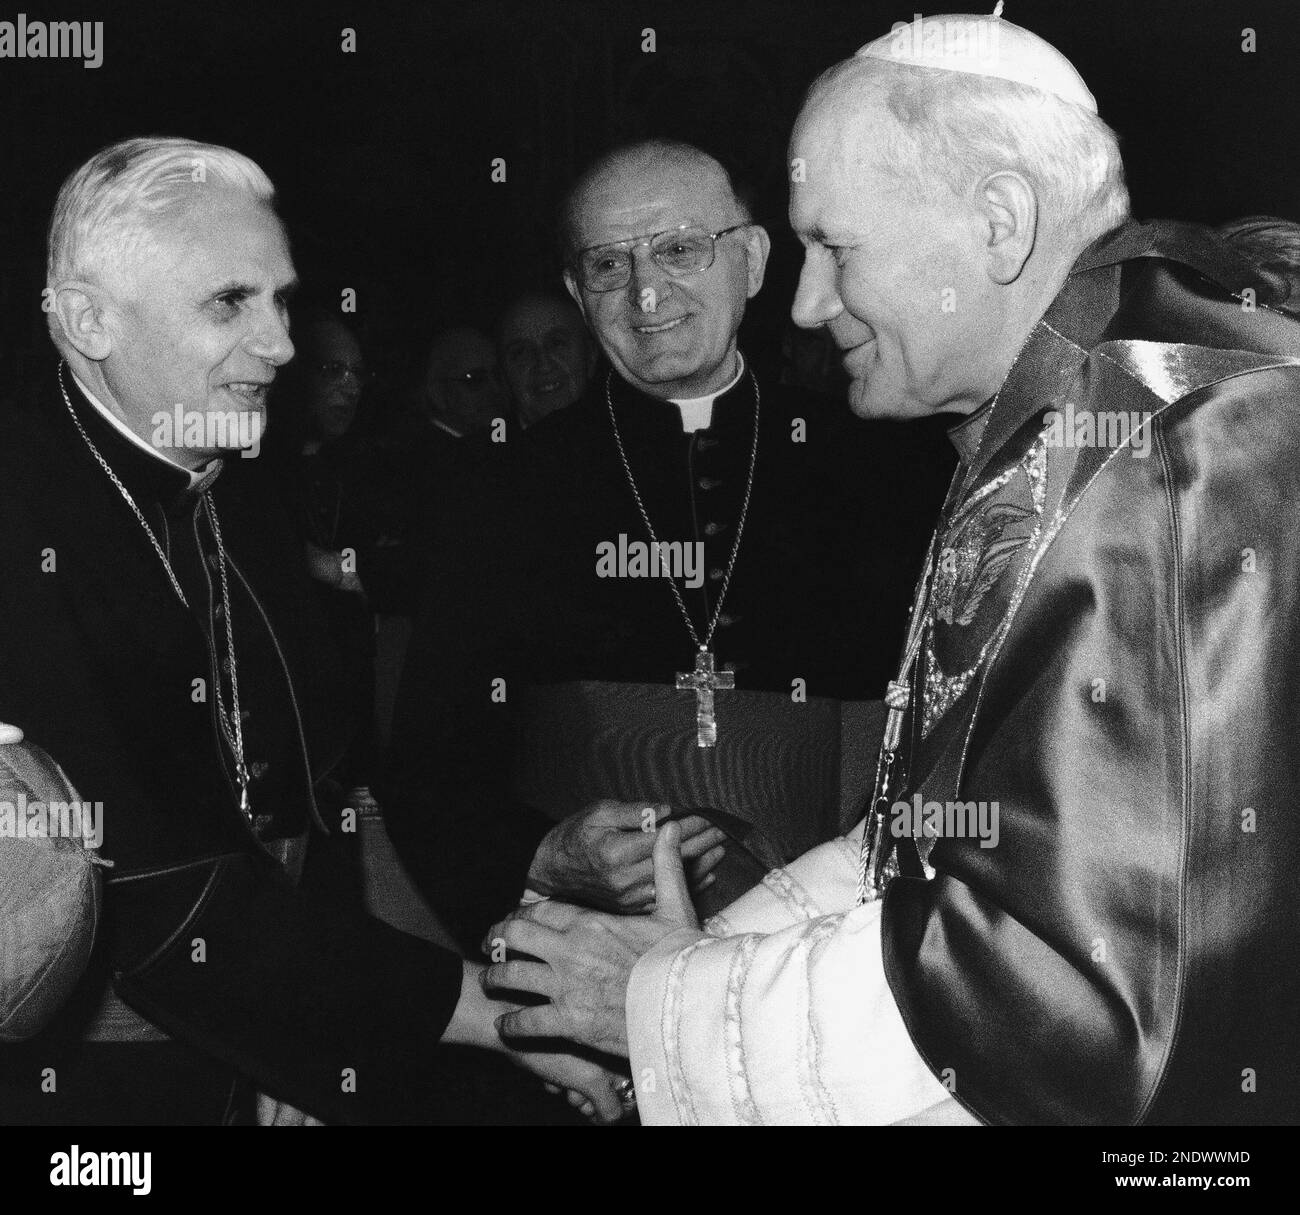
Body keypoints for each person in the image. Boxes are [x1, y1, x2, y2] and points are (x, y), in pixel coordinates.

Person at [483, 14, 1300, 1126]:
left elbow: (1069, 989)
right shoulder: (1062, 412)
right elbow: (960, 829)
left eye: (835, 248)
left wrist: (651, 1001)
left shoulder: (1167, 449)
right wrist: (718, 944)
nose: (809, 304)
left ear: (998, 224)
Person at [0, 136, 622, 1125]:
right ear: (86, 319)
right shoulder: (21, 516)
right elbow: (154, 893)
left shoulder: (239, 484)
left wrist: (308, 1046)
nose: (283, 343)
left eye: (280, 299)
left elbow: (307, 797)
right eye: (227, 303)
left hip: (270, 1014)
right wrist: (495, 1011)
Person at [384, 137, 954, 953]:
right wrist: (540, 855)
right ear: (579, 294)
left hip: (840, 947)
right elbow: (426, 766)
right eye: (609, 267)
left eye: (680, 249)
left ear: (753, 261)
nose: (648, 292)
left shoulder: (890, 469)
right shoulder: (503, 492)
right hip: (587, 941)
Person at [497, 290, 597, 428]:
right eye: (521, 352)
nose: (543, 365)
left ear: (591, 355)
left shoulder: (627, 434)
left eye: (556, 343)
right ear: (503, 375)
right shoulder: (493, 445)